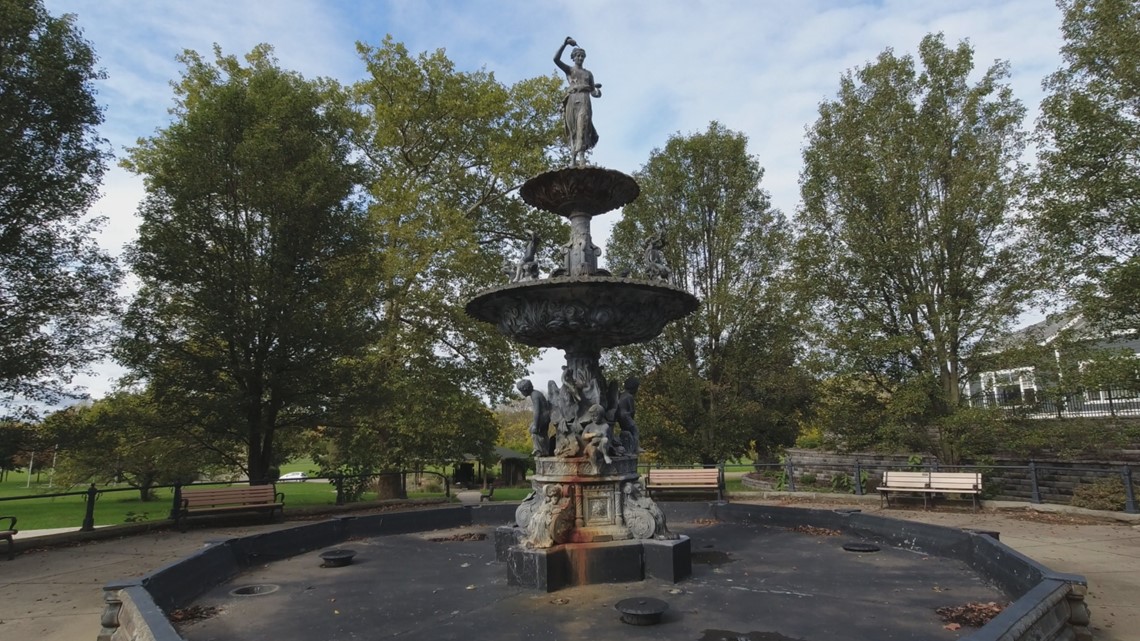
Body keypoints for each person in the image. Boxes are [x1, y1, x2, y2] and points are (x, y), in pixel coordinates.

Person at [554, 36, 601, 167]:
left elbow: (593, 91)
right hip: (572, 100)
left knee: (583, 127)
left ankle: (581, 158)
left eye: (582, 56)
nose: (580, 58)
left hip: (585, 101)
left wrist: (597, 92)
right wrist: (564, 44)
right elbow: (555, 59)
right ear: (573, 57)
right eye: (578, 56)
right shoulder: (570, 70)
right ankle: (573, 159)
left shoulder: (588, 74)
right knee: (573, 129)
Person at [516, 379, 552, 457]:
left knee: (534, 431)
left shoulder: (534, 395)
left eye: (521, 391)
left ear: (525, 389)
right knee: (543, 434)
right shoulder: (536, 393)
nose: (521, 393)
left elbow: (537, 411)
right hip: (546, 417)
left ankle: (539, 451)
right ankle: (546, 450)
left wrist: (535, 425)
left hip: (543, 417)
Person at [615, 377, 640, 454]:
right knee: (635, 431)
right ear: (634, 388)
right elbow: (632, 411)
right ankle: (635, 447)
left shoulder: (621, 395)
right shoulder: (629, 396)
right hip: (626, 416)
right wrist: (631, 418)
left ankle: (625, 445)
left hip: (619, 416)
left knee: (625, 432)